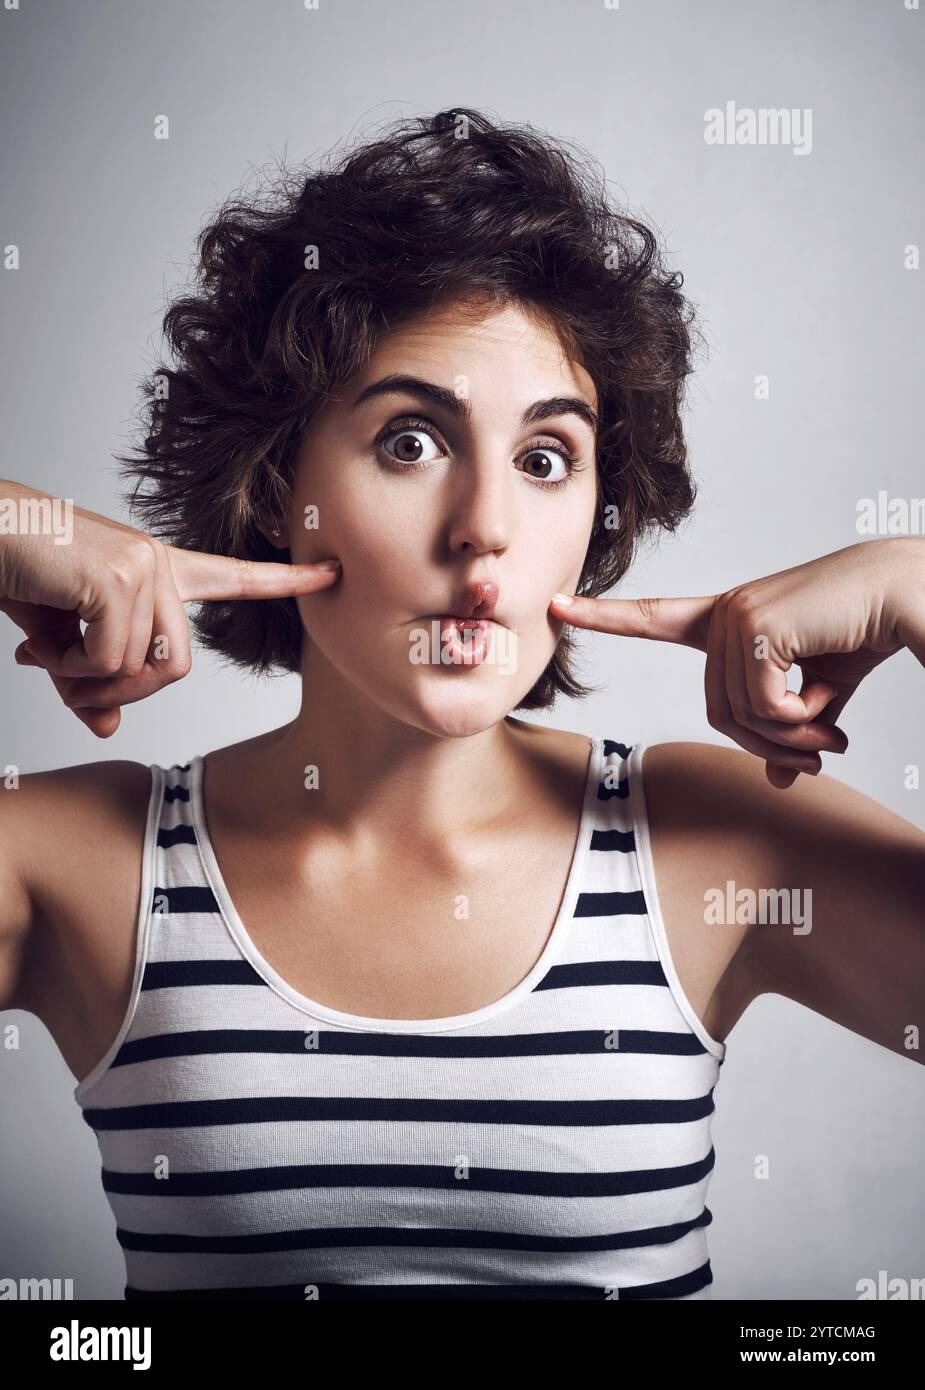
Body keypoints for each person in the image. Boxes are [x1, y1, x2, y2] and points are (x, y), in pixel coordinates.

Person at [1, 108, 922, 1301]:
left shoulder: (711, 838)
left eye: (546, 458)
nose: (484, 523)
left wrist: (915, 583)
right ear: (280, 488)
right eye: (410, 440)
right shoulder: (78, 863)